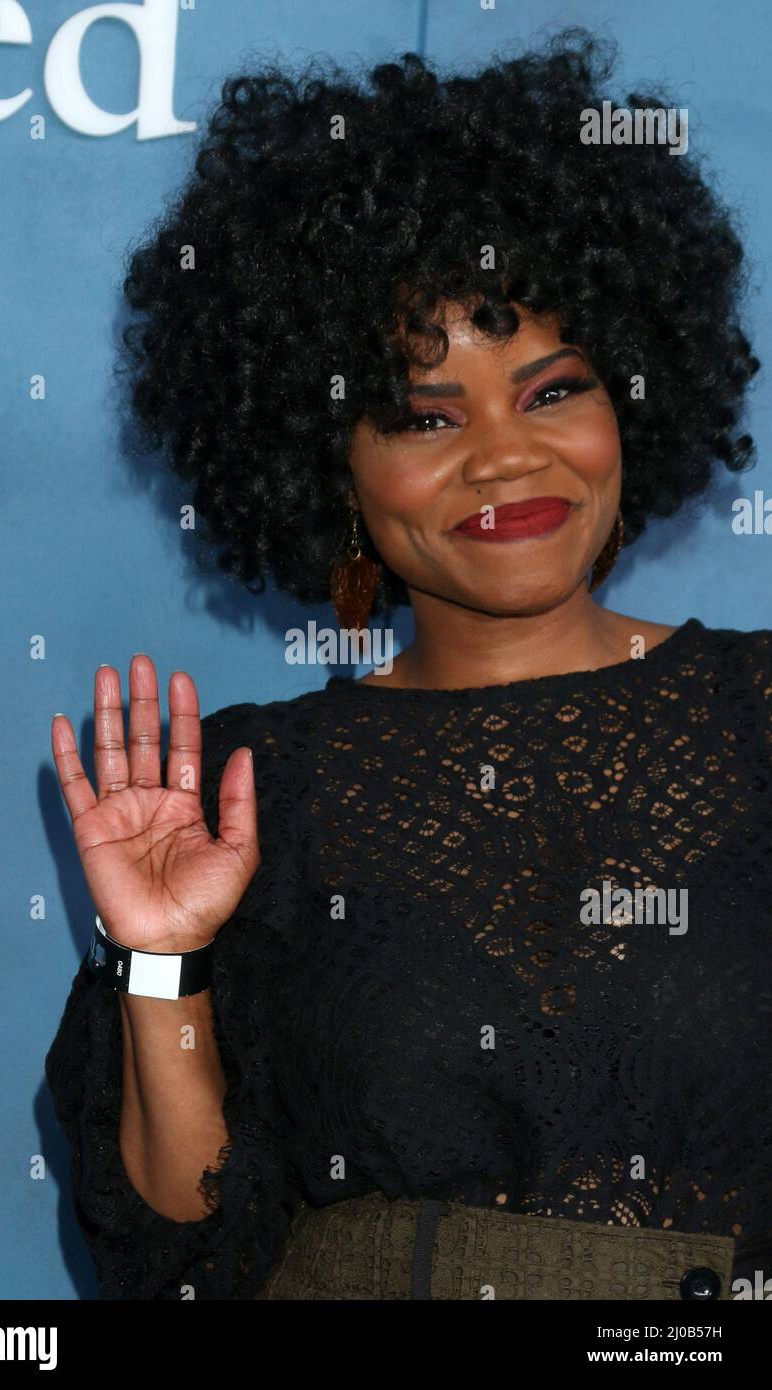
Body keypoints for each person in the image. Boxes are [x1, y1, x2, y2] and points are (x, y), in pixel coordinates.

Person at [45, 29, 772, 1300]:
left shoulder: (756, 719)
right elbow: (184, 1252)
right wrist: (166, 959)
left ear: (630, 411)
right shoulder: (241, 790)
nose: (502, 457)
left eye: (550, 391)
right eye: (423, 417)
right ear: (326, 465)